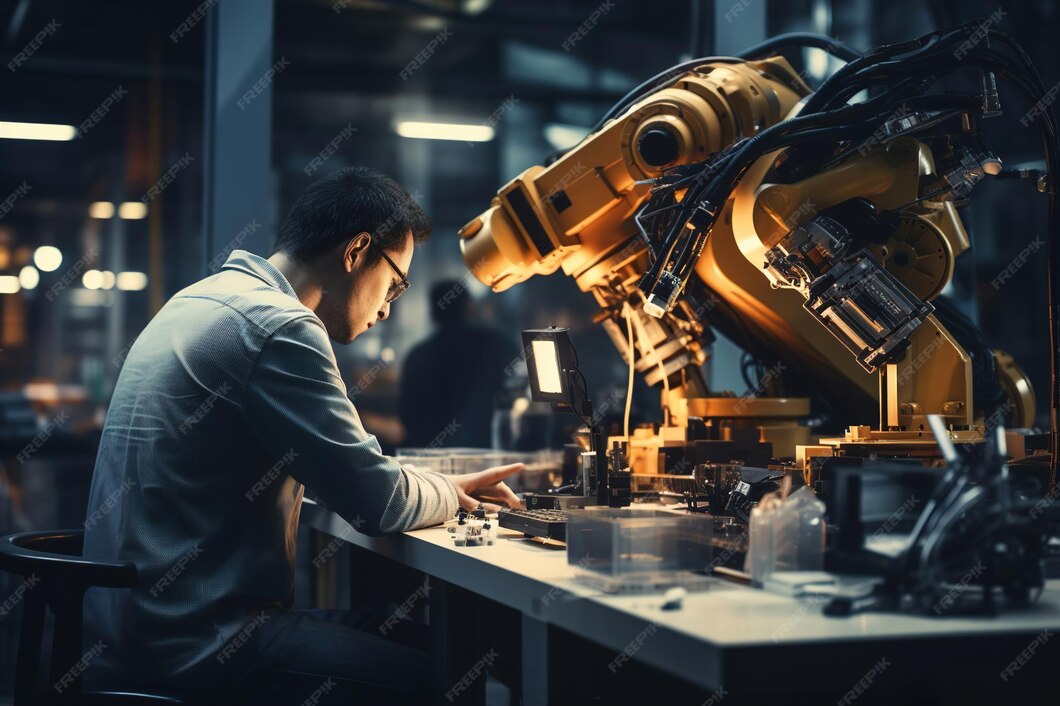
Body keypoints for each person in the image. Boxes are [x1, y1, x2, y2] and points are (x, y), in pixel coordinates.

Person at [81, 167, 523, 704]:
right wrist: (452, 495)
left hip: (134, 628)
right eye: (396, 283)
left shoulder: (200, 299)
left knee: (411, 634)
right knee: (458, 677)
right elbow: (376, 503)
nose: (389, 307)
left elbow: (337, 471)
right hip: (202, 645)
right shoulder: (280, 326)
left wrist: (421, 484)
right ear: (356, 251)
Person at [400, 281, 520, 449]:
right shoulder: (497, 345)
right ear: (469, 307)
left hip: (429, 461)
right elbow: (516, 393)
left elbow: (407, 418)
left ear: (433, 312)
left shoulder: (417, 356)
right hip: (486, 455)